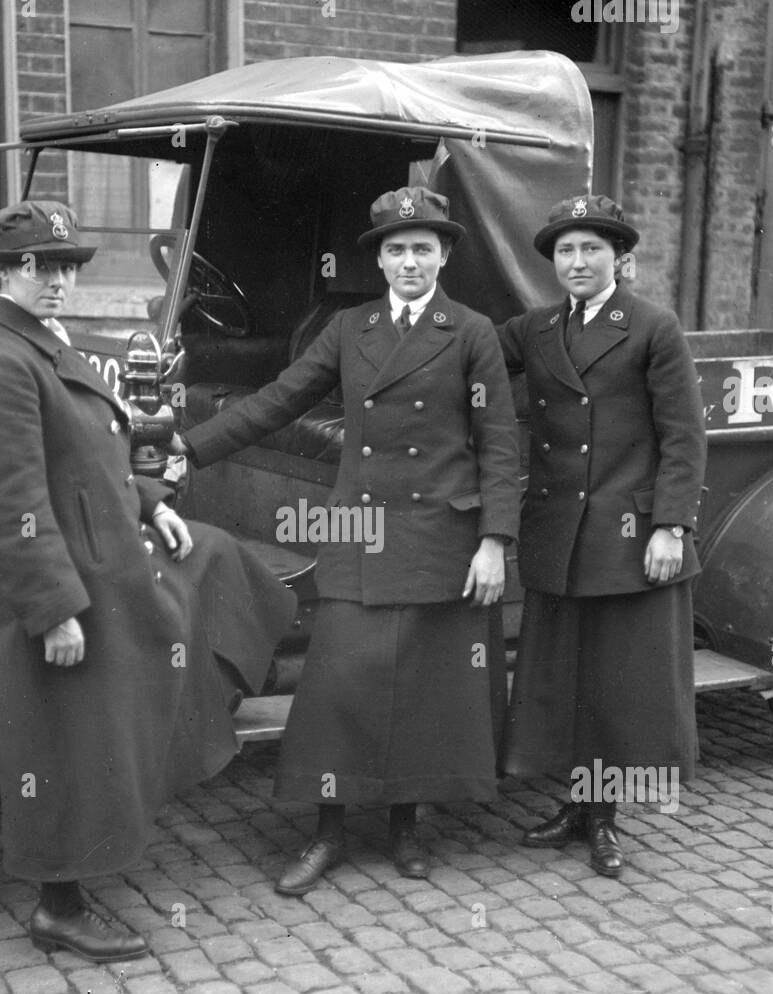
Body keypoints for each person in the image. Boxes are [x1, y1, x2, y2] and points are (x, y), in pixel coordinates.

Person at [0, 201, 295, 961]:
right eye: (38, 267)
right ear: (6, 273)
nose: (55, 281)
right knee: (62, 744)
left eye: (66, 266)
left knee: (215, 558)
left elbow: (86, 454)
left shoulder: (41, 345)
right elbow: (5, 504)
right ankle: (58, 908)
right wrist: (52, 611)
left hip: (101, 557)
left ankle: (190, 742)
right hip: (63, 582)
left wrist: (148, 501)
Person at [174, 187, 520, 895]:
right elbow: (279, 398)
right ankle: (327, 833)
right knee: (338, 687)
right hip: (361, 531)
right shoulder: (351, 329)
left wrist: (494, 542)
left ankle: (405, 828)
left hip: (440, 537)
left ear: (444, 254)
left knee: (422, 690)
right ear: (381, 260)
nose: (409, 261)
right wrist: (192, 449)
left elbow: (500, 447)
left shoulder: (473, 332)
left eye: (423, 248)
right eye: (397, 250)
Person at [497, 194, 708, 878]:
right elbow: (467, 358)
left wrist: (670, 525)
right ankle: (576, 806)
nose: (578, 261)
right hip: (561, 536)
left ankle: (606, 819)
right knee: (569, 682)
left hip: (628, 536)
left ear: (619, 258)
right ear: (553, 262)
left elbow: (684, 436)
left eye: (592, 248)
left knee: (618, 687)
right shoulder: (535, 328)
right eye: (565, 250)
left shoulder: (652, 327)